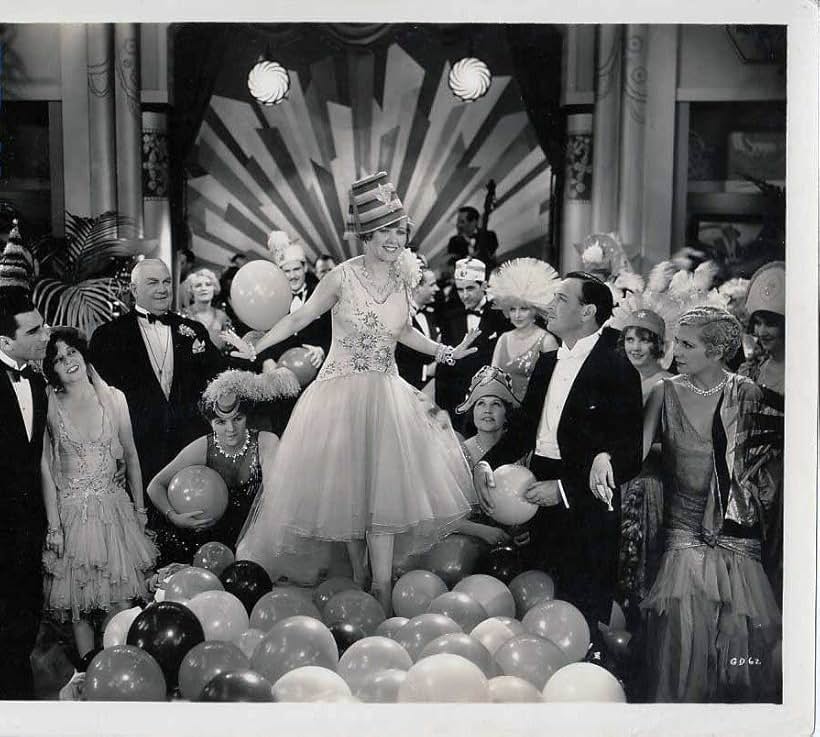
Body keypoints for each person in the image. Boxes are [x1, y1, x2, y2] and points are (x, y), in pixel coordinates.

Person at [225, 171, 479, 614]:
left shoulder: (402, 280)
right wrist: (255, 343)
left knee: (382, 498)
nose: (394, 239)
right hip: (339, 398)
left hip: (387, 396)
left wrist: (445, 350)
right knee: (349, 498)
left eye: (399, 230)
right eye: (384, 231)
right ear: (365, 234)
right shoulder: (341, 278)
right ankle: (362, 578)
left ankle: (380, 587)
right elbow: (298, 320)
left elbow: (401, 332)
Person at [473, 272, 643, 644]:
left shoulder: (617, 368)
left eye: (562, 299)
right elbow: (521, 431)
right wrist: (485, 462)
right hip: (536, 499)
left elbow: (629, 456)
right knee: (534, 604)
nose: (549, 305)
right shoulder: (548, 361)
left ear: (588, 312)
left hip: (585, 510)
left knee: (578, 616)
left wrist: (565, 491)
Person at [639, 306, 781, 702]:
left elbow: (766, 471)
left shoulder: (747, 394)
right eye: (676, 341)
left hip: (736, 536)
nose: (676, 351)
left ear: (717, 352)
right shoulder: (663, 392)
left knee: (739, 651)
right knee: (683, 646)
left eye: (687, 344)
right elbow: (631, 456)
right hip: (683, 535)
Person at [89, 259, 229, 565]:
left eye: (166, 281)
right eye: (153, 283)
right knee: (147, 541)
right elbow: (97, 401)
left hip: (188, 450)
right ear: (133, 290)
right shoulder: (108, 336)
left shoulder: (192, 330)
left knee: (195, 529)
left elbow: (220, 376)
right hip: (138, 449)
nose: (163, 289)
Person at [40, 328, 157, 663]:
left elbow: (131, 457)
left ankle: (119, 667)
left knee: (120, 600)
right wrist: (54, 526)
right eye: (58, 358)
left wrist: (140, 509)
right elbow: (46, 468)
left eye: (72, 352)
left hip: (114, 511)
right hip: (72, 513)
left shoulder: (114, 397)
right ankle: (86, 671)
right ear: (53, 368)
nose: (68, 361)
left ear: (83, 353)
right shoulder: (50, 401)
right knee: (79, 606)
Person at [146, 369, 297, 561]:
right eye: (220, 422)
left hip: (255, 534)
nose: (230, 429)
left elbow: (275, 499)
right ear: (210, 423)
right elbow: (155, 486)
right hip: (207, 539)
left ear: (247, 417)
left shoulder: (266, 442)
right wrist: (174, 517)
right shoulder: (202, 447)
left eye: (237, 419)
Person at [0, 287, 50, 698]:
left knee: (23, 627)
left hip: (28, 529)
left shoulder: (35, 379)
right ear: (4, 341)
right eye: (34, 330)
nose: (46, 333)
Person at [738, 261, 785, 603]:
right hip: (749, 476)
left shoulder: (805, 366)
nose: (764, 331)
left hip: (785, 478)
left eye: (773, 323)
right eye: (759, 322)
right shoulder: (754, 366)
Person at [436, 257, 512, 432]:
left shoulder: (502, 315)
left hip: (492, 404)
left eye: (470, 288)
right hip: (457, 405)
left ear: (484, 286)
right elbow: (443, 369)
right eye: (460, 289)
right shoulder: (449, 317)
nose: (465, 295)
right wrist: (443, 409)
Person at [488, 258, 560, 399]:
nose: (517, 315)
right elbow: (491, 380)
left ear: (535, 309)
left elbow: (554, 386)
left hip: (533, 414)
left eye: (524, 309)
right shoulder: (503, 339)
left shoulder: (547, 341)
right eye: (513, 309)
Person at [395, 265, 440, 389]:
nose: (437, 289)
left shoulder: (431, 314)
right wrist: (425, 371)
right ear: (417, 288)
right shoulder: (399, 317)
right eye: (432, 285)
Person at [180, 268, 233, 350]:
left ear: (214, 288)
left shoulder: (222, 316)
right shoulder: (183, 316)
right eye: (198, 285)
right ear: (191, 290)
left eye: (208, 285)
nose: (203, 289)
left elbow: (229, 347)